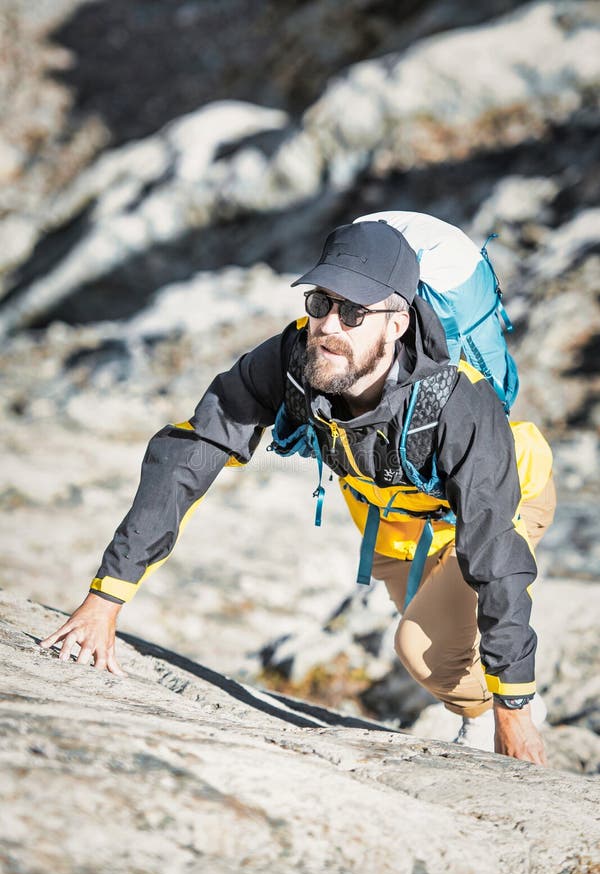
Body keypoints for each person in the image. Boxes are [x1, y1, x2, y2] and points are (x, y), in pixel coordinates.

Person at [41, 220, 555, 765]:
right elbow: (190, 454)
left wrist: (514, 713)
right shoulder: (292, 360)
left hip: (504, 496)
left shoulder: (455, 403)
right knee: (441, 644)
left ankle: (504, 716)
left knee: (425, 650)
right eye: (320, 302)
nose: (329, 325)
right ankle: (480, 711)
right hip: (396, 511)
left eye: (354, 312)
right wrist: (107, 595)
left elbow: (495, 552)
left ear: (398, 322)